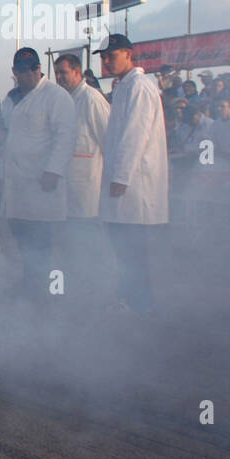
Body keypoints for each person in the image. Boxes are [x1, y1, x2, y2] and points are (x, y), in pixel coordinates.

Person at [0, 47, 78, 297]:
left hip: (41, 182)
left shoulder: (56, 96)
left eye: (33, 69)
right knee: (21, 238)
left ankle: (46, 291)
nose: (28, 74)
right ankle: (29, 283)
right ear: (14, 72)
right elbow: (5, 130)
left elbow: (66, 137)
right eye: (22, 70)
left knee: (41, 242)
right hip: (17, 184)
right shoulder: (11, 98)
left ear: (39, 69)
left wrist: (53, 170)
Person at [97, 34, 168, 313]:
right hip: (124, 180)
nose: (106, 60)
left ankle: (141, 305)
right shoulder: (124, 87)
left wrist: (121, 176)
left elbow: (134, 136)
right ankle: (129, 298)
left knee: (132, 249)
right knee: (123, 247)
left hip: (134, 182)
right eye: (103, 56)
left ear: (128, 53)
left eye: (111, 55)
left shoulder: (140, 86)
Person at [54, 53, 109, 220]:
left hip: (88, 190)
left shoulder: (92, 100)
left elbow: (109, 142)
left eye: (63, 72)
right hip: (66, 189)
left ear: (77, 72)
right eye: (56, 73)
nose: (58, 77)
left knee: (87, 238)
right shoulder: (62, 101)